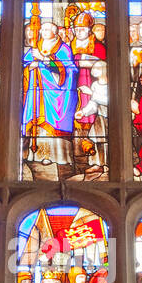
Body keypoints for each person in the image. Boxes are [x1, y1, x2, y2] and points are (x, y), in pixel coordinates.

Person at [22, 19, 80, 180]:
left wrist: (44, 60)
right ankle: (38, 155)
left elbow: (69, 71)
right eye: (42, 30)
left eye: (47, 30)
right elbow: (25, 65)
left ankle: (57, 156)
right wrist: (30, 67)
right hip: (37, 92)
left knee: (53, 124)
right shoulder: (36, 47)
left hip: (56, 93)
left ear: (55, 33)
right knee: (38, 123)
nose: (43, 32)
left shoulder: (64, 48)